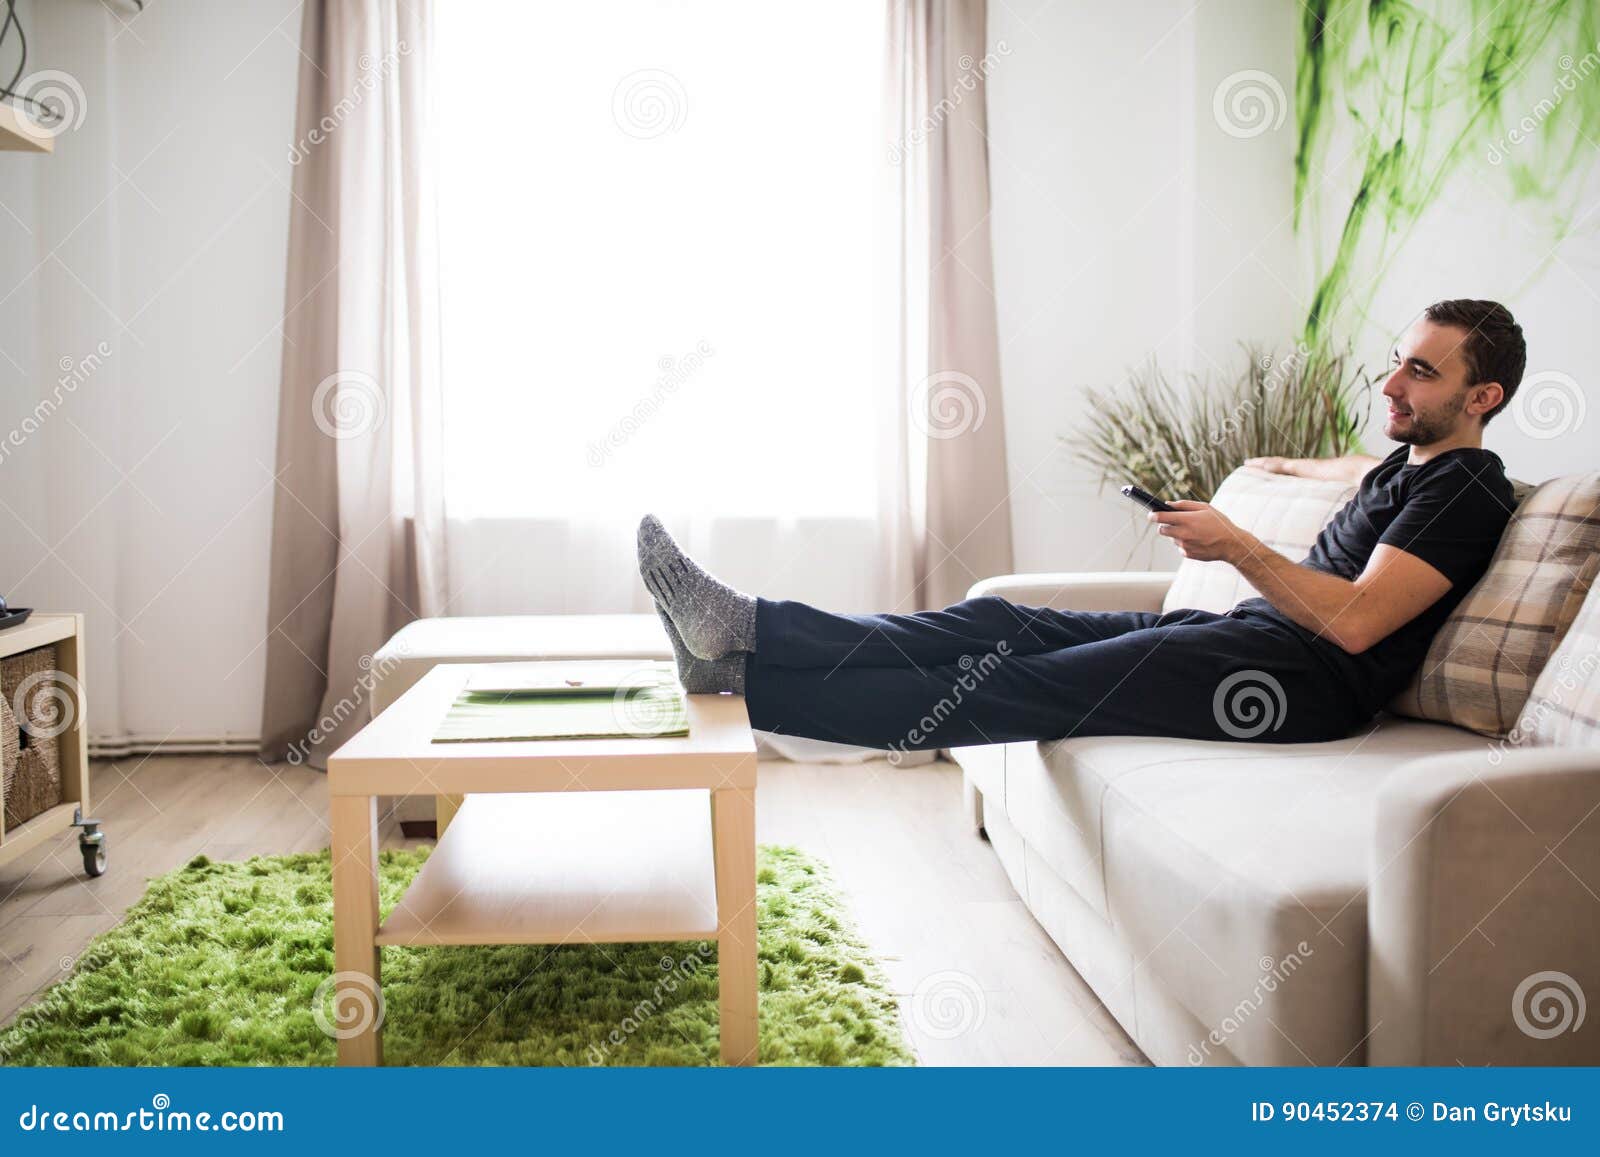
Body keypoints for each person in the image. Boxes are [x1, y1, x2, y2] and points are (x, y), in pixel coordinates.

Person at [638, 299, 1525, 752]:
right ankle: (746, 634)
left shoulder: (1469, 490)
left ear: (1482, 397)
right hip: (1251, 640)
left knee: (1010, 682)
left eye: (1420, 372)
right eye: (1395, 361)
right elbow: (1358, 474)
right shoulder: (1413, 466)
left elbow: (1361, 621)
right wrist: (1282, 468)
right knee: (993, 621)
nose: (1390, 385)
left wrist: (1235, 543)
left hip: (1297, 683)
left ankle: (745, 683)